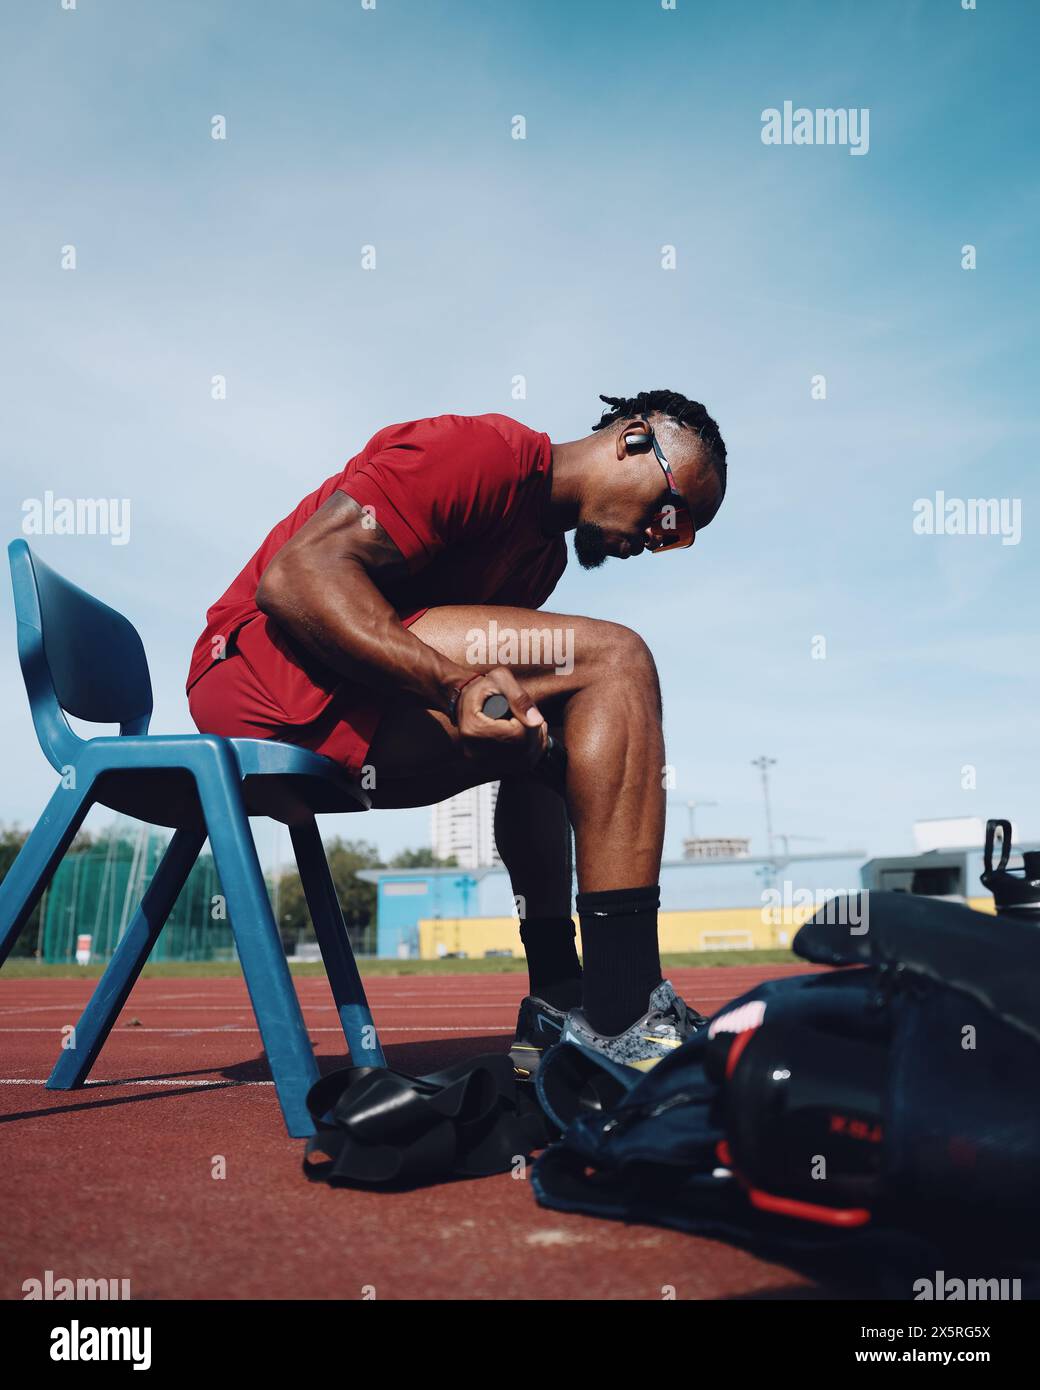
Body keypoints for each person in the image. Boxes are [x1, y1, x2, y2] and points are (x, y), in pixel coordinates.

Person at [186, 389, 727, 1073]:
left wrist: (495, 711)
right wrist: (454, 686)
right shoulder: (483, 455)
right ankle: (627, 1013)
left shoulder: (543, 563)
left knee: (559, 733)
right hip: (262, 676)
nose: (662, 537)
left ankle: (561, 995)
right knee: (616, 661)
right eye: (672, 512)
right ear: (633, 441)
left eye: (681, 537)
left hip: (362, 711)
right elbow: (296, 578)